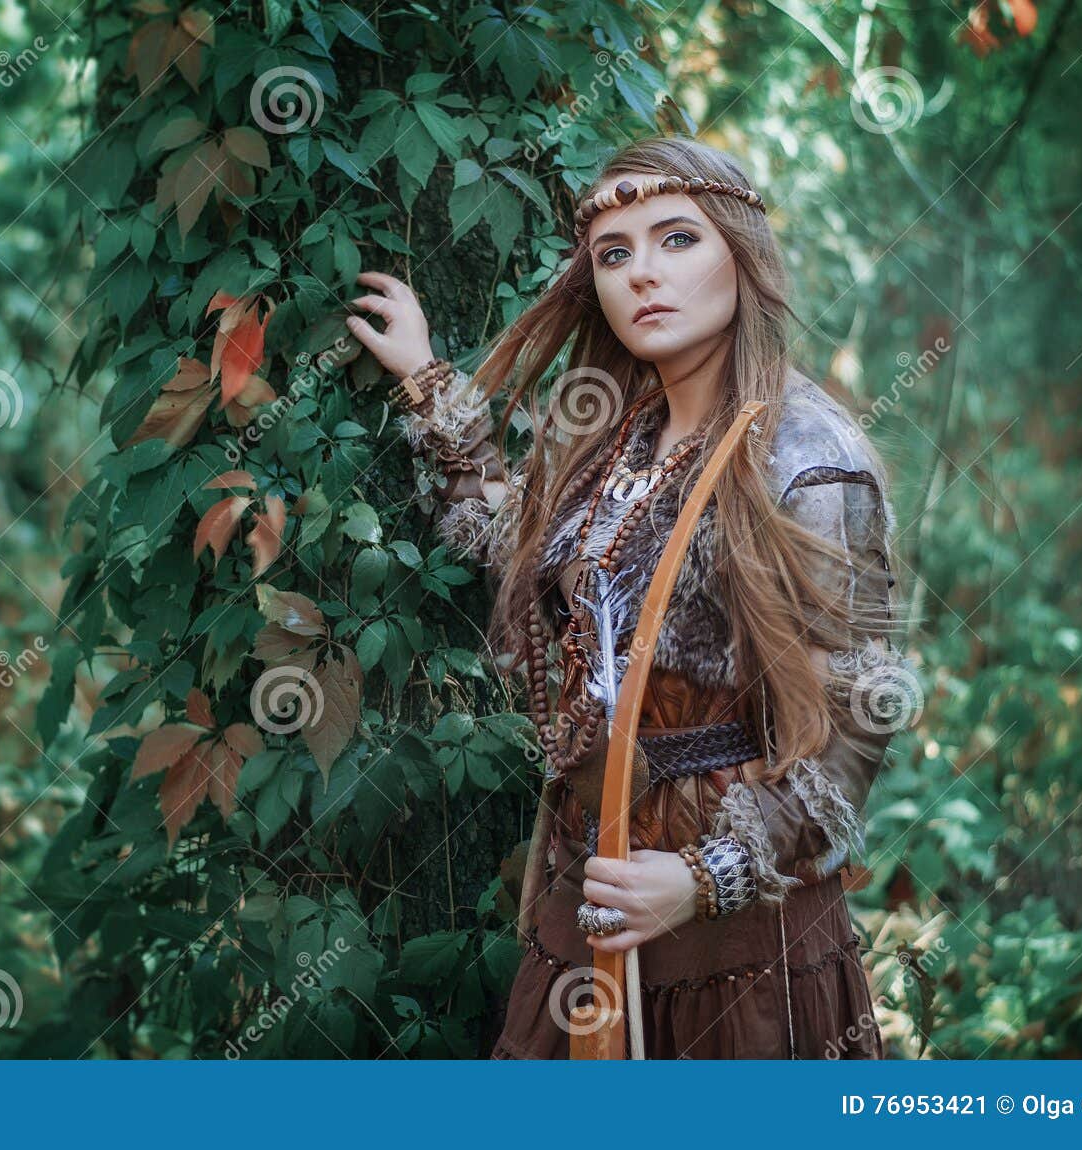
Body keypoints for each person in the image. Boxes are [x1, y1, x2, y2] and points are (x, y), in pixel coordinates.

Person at [344, 135, 917, 1059]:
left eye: (677, 239)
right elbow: (516, 552)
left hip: (742, 954)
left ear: (743, 254)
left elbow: (857, 724)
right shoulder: (619, 437)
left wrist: (703, 877)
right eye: (615, 254)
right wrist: (426, 386)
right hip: (586, 915)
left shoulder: (808, 455)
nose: (642, 274)